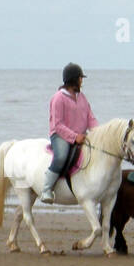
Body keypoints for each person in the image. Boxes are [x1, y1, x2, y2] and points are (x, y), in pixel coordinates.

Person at [41, 63, 98, 203]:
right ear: (74, 79)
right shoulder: (58, 98)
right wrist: (74, 137)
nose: (82, 81)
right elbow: (58, 124)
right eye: (80, 78)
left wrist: (99, 134)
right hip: (60, 136)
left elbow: (90, 118)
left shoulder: (82, 97)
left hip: (80, 136)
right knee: (61, 157)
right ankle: (46, 189)